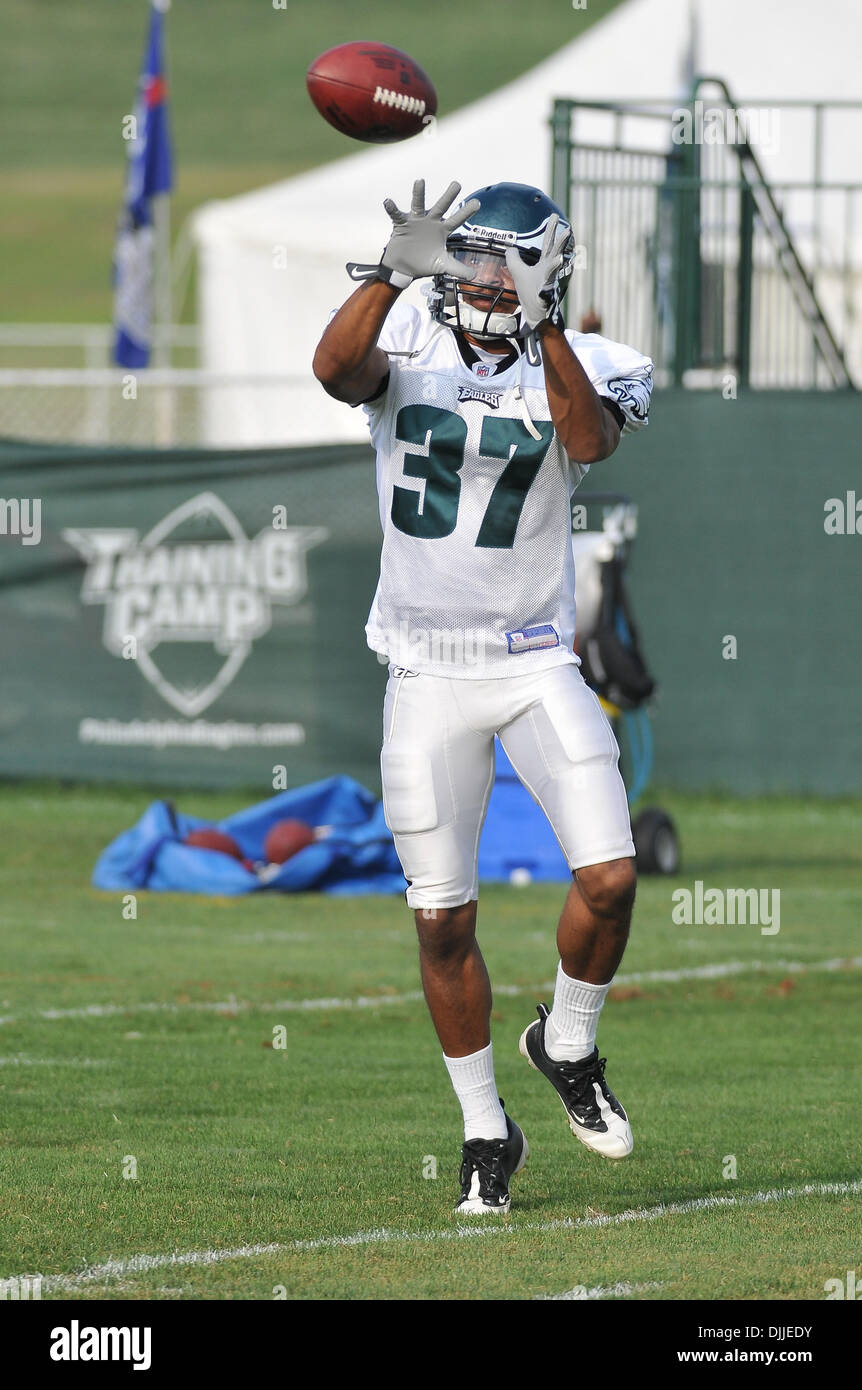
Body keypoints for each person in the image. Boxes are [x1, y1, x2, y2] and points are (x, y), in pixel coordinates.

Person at [313, 179, 653, 1215]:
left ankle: (568, 1042)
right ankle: (481, 1131)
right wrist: (385, 272)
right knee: (440, 921)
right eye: (466, 256)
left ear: (547, 267)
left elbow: (587, 440)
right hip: (423, 669)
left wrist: (546, 329)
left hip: (534, 657)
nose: (477, 277)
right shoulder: (410, 324)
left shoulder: (592, 360)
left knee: (609, 877)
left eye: (499, 259)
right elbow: (335, 373)